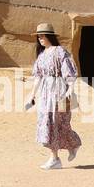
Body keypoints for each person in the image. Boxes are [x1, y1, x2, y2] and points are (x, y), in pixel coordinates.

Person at [25, 22, 82, 170]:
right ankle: (55, 158)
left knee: (60, 122)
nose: (40, 39)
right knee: (47, 123)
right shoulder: (42, 56)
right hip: (45, 94)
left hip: (59, 91)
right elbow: (38, 77)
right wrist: (31, 96)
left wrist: (70, 89)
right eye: (38, 36)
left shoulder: (60, 51)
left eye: (43, 36)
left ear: (50, 36)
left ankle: (72, 145)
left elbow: (69, 72)